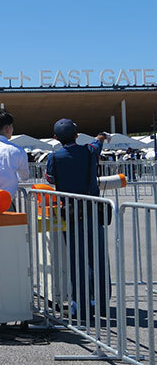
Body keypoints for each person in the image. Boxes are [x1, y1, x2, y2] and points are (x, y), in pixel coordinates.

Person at [46, 119, 111, 320]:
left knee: (77, 259)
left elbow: (51, 179)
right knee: (98, 258)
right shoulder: (90, 151)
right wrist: (102, 136)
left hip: (71, 213)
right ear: (76, 135)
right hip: (93, 209)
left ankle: (80, 307)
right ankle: (101, 304)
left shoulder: (54, 157)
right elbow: (98, 141)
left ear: (56, 138)